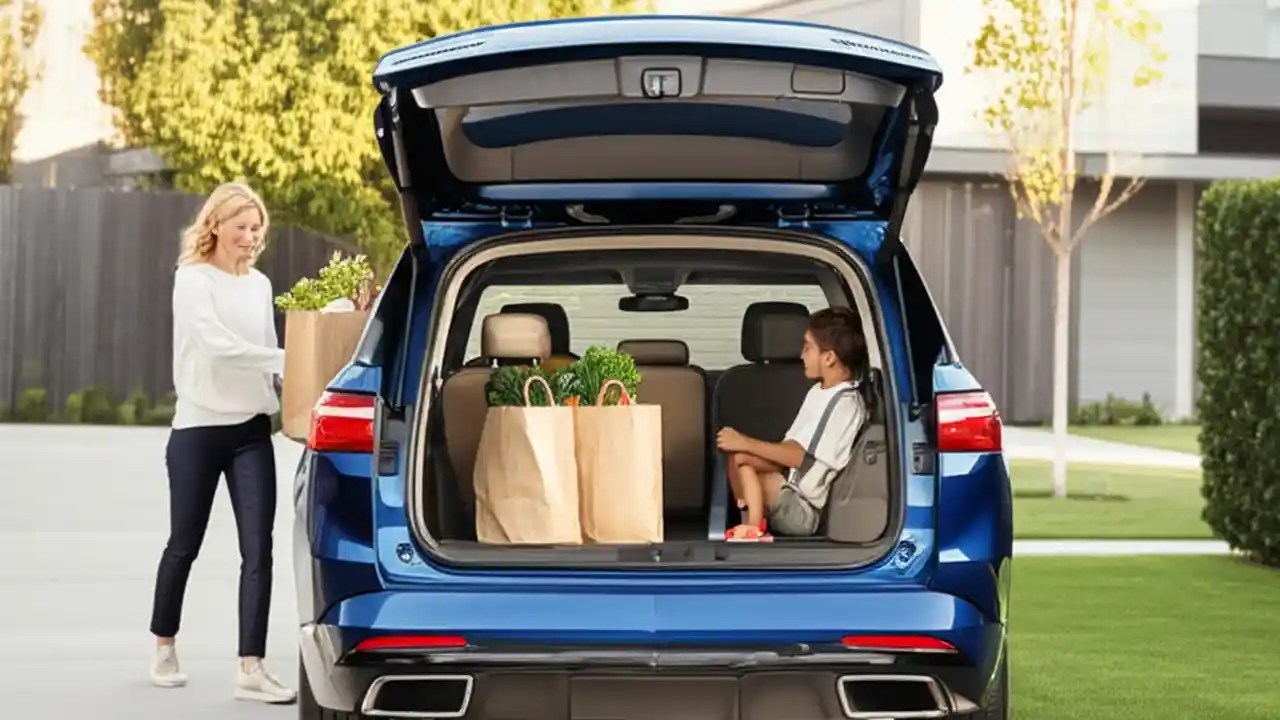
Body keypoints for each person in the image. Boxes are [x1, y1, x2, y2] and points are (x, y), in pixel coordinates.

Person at [147, 182, 296, 704]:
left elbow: (267, 352)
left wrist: (299, 384)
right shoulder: (191, 280)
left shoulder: (259, 284)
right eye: (242, 228)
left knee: (259, 548)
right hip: (197, 432)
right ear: (215, 226)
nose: (252, 238)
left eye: (257, 229)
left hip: (251, 432)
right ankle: (164, 644)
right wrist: (283, 361)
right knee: (183, 545)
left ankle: (250, 667)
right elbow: (217, 347)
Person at [716, 306, 869, 542]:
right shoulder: (819, 391)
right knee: (737, 458)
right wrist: (743, 451)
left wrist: (745, 442)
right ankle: (751, 525)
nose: (801, 355)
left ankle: (754, 529)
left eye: (808, 348)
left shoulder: (844, 403)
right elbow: (790, 447)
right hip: (791, 487)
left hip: (804, 511)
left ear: (829, 358)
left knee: (746, 459)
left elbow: (800, 457)